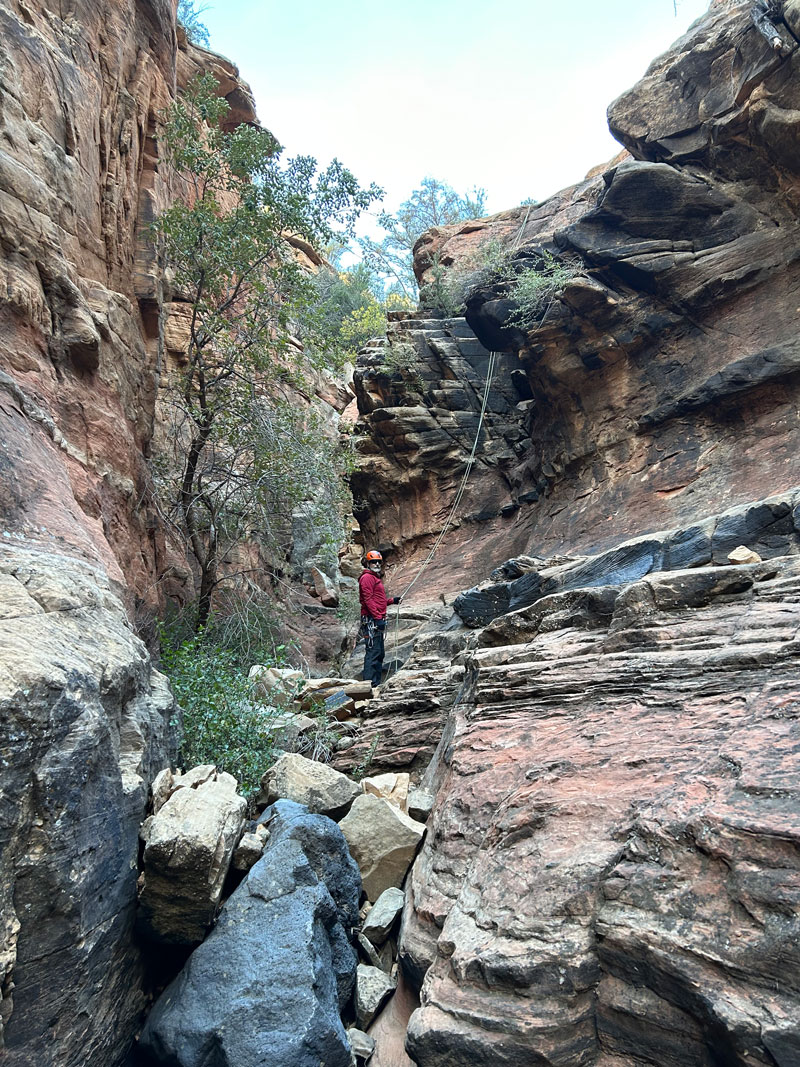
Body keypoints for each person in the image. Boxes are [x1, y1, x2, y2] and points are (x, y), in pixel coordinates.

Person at [358, 550, 401, 687]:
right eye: (373, 562)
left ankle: (374, 684)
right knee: (373, 652)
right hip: (371, 620)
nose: (376, 564)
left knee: (379, 652)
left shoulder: (374, 578)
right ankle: (369, 686)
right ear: (368, 563)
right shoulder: (367, 578)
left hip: (374, 619)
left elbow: (377, 600)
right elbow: (368, 599)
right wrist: (377, 618)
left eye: (378, 561)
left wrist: (391, 601)